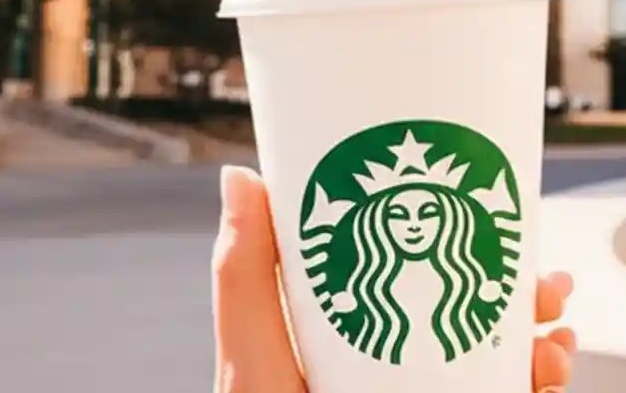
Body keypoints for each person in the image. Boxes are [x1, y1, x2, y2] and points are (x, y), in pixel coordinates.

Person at [213, 166, 576, 392]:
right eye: (399, 215)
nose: (414, 225)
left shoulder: (466, 290)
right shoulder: (366, 295)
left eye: (428, 212)